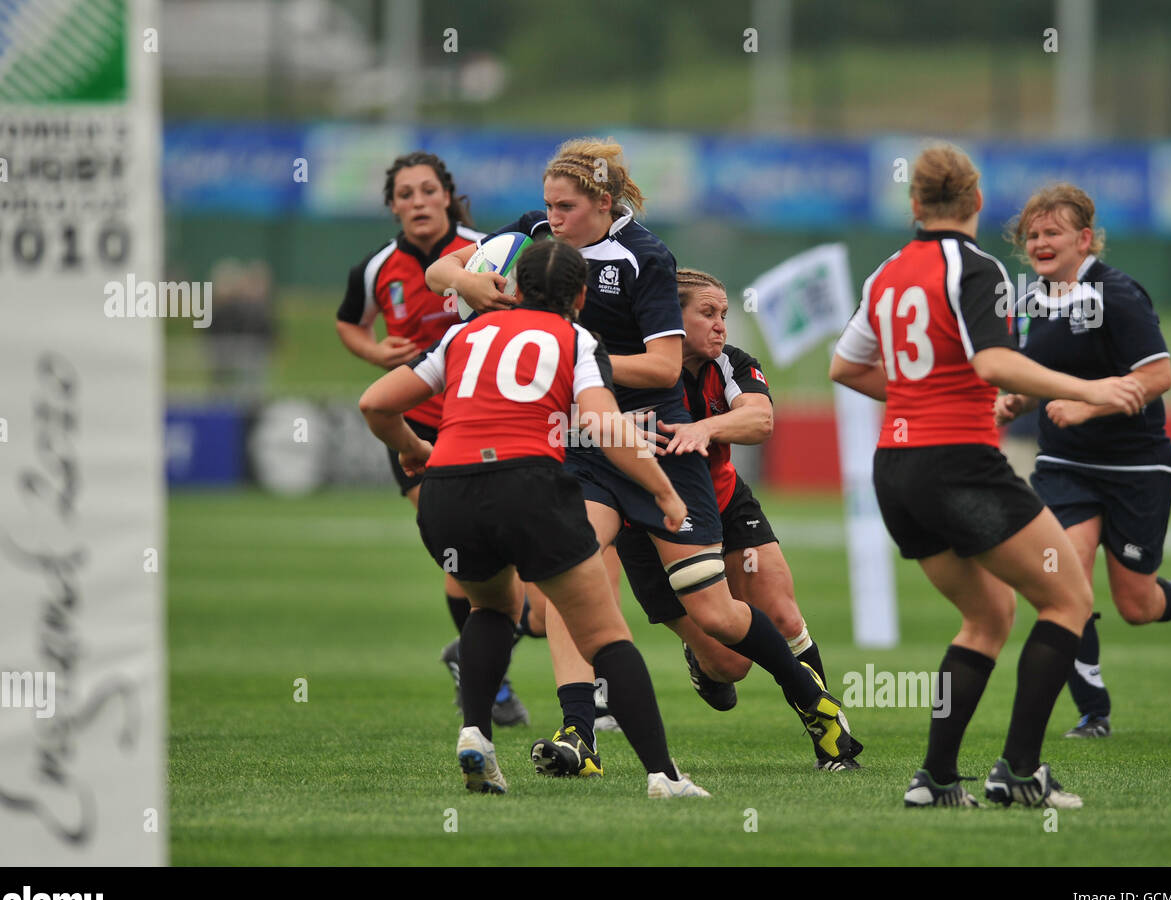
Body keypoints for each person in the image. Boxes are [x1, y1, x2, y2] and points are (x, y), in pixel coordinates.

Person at [427, 138, 856, 779]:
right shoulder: (536, 234)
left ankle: (812, 703)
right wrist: (467, 280)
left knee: (716, 617)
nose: (552, 217)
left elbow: (660, 366)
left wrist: (572, 357)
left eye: (565, 206)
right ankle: (578, 732)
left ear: (604, 202)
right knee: (577, 577)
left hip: (655, 440)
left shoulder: (646, 257)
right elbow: (442, 270)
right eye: (547, 204)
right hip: (582, 443)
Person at [829, 144, 1147, 809]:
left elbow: (847, 368)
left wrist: (926, 396)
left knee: (987, 614)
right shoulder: (978, 269)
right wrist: (1091, 388)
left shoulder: (887, 272)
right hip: (957, 465)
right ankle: (1021, 771)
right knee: (1068, 599)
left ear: (915, 205)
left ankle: (937, 780)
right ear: (976, 203)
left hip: (895, 469)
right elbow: (997, 364)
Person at [358, 240, 709, 798]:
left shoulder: (461, 334)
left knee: (491, 607)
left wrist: (413, 449)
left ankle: (475, 732)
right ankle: (664, 777)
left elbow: (375, 403)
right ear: (581, 295)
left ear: (515, 288)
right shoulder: (576, 337)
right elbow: (603, 426)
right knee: (605, 634)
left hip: (447, 490)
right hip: (526, 486)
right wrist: (663, 490)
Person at [996, 182, 1171, 739]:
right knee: (1063, 578)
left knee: (1136, 604)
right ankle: (1093, 710)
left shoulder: (1116, 295)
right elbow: (1035, 380)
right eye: (1032, 235)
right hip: (1064, 465)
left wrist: (1088, 407)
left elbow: (1157, 375)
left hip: (1136, 466)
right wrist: (1015, 401)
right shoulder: (1028, 304)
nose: (1042, 243)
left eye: (1053, 232)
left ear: (1085, 238)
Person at [615, 268, 863, 770]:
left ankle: (830, 741)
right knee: (730, 664)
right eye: (707, 313)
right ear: (670, 318)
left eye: (724, 314)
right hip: (648, 523)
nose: (720, 325)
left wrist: (703, 427)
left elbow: (760, 419)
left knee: (786, 614)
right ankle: (704, 665)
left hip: (725, 504)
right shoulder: (632, 366)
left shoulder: (730, 364)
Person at [334, 151, 535, 727]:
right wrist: (374, 352)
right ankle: (489, 684)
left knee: (514, 575)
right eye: (405, 194)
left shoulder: (491, 247)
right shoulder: (376, 269)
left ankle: (473, 660)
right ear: (393, 206)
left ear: (447, 196)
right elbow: (349, 320)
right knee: (464, 554)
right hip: (417, 428)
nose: (418, 202)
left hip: (485, 418)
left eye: (428, 190)